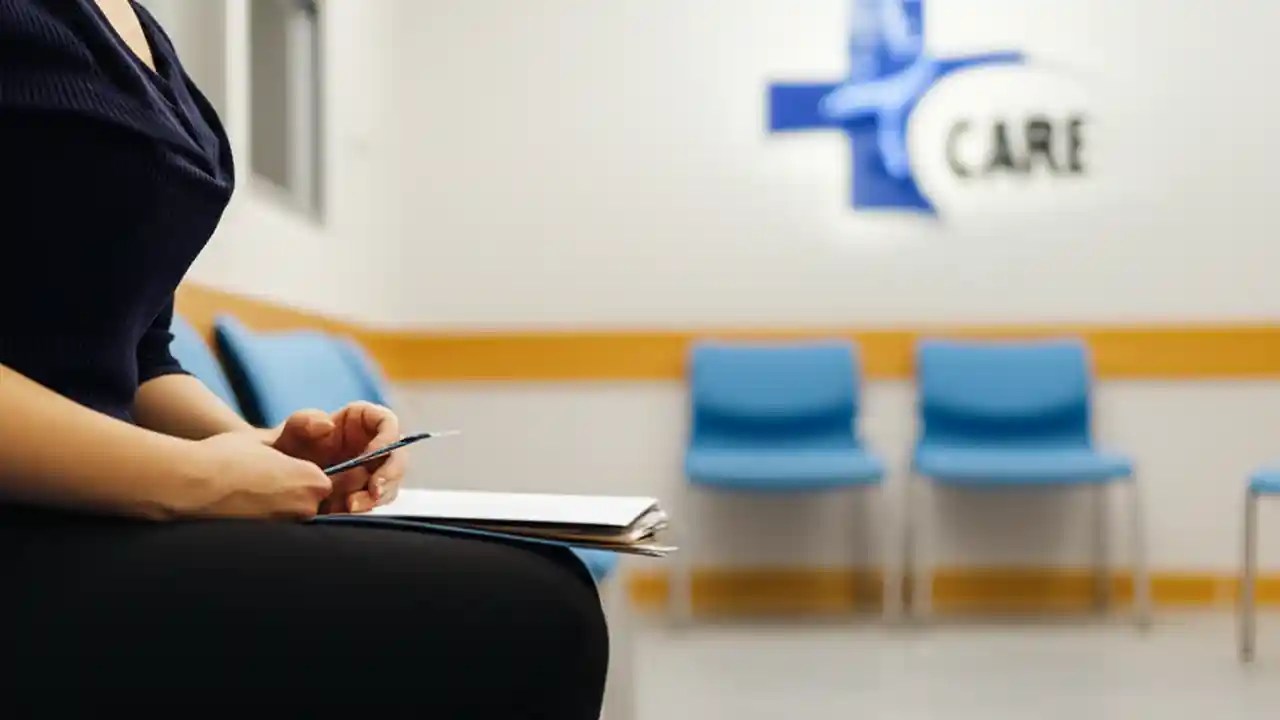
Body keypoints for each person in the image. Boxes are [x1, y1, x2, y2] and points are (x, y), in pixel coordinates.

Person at [0, 0, 607, 715]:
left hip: (98, 505)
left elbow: (134, 354)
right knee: (536, 615)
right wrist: (193, 478)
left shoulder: (130, 24)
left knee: (542, 592)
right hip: (35, 522)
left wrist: (261, 447)